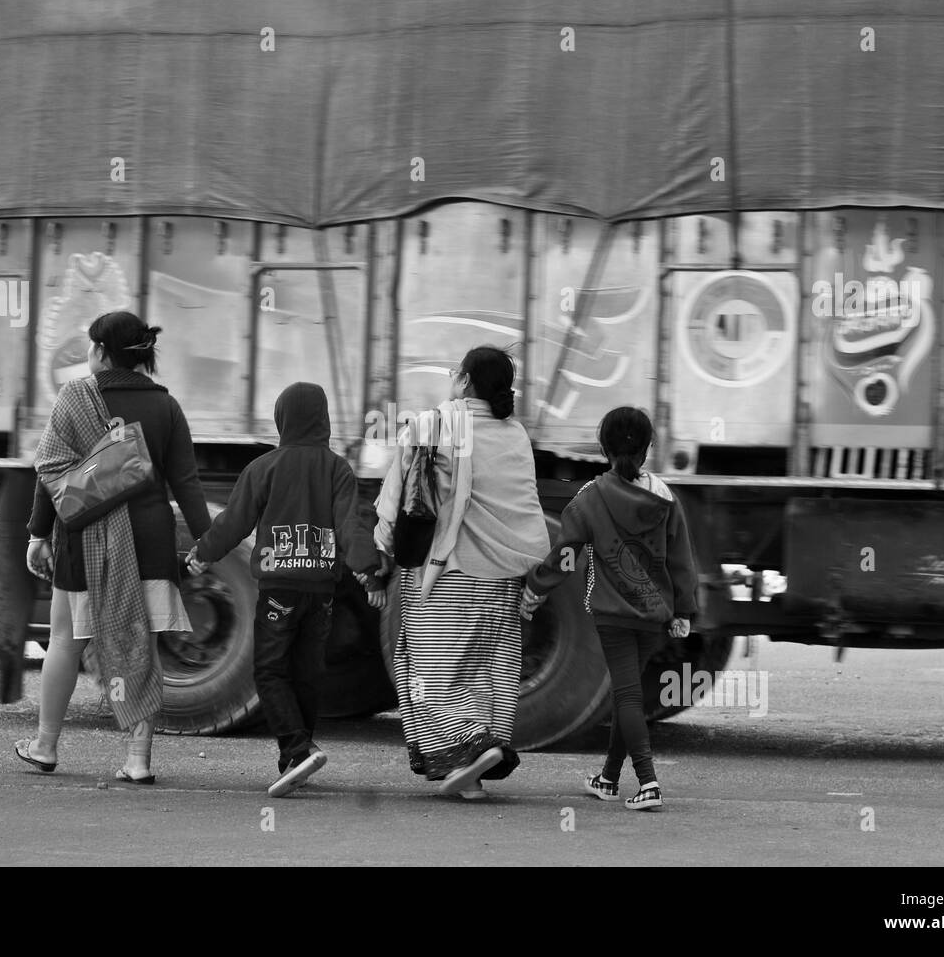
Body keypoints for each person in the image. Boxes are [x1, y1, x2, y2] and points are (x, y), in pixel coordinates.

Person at [15, 310, 212, 784]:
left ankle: (45, 745)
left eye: (91, 345)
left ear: (102, 351)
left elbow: (51, 473)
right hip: (150, 541)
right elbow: (186, 483)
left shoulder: (74, 396)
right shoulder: (167, 407)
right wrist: (207, 543)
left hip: (84, 538)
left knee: (65, 641)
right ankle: (138, 759)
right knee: (142, 646)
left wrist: (38, 535)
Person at [186, 382, 385, 797]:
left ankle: (297, 749)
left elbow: (234, 522)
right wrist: (368, 572)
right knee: (307, 672)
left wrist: (203, 553)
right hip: (322, 592)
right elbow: (351, 526)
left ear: (282, 419)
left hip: (279, 589)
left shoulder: (264, 468)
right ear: (323, 419)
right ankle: (296, 758)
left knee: (271, 669)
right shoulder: (338, 469)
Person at [372, 346, 549, 800]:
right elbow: (525, 504)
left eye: (456, 372)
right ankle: (473, 772)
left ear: (466, 380)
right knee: (488, 671)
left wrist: (381, 550)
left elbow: (396, 497)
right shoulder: (515, 434)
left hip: (447, 575)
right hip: (503, 578)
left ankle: (472, 748)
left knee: (431, 671)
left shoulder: (431, 425)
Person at [520, 406, 697, 811]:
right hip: (654, 615)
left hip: (612, 614)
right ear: (648, 449)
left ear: (603, 448)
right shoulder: (666, 497)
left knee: (627, 695)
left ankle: (648, 782)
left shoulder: (591, 497)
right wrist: (684, 611)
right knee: (625, 694)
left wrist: (536, 587)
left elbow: (566, 555)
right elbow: (681, 560)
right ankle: (608, 779)